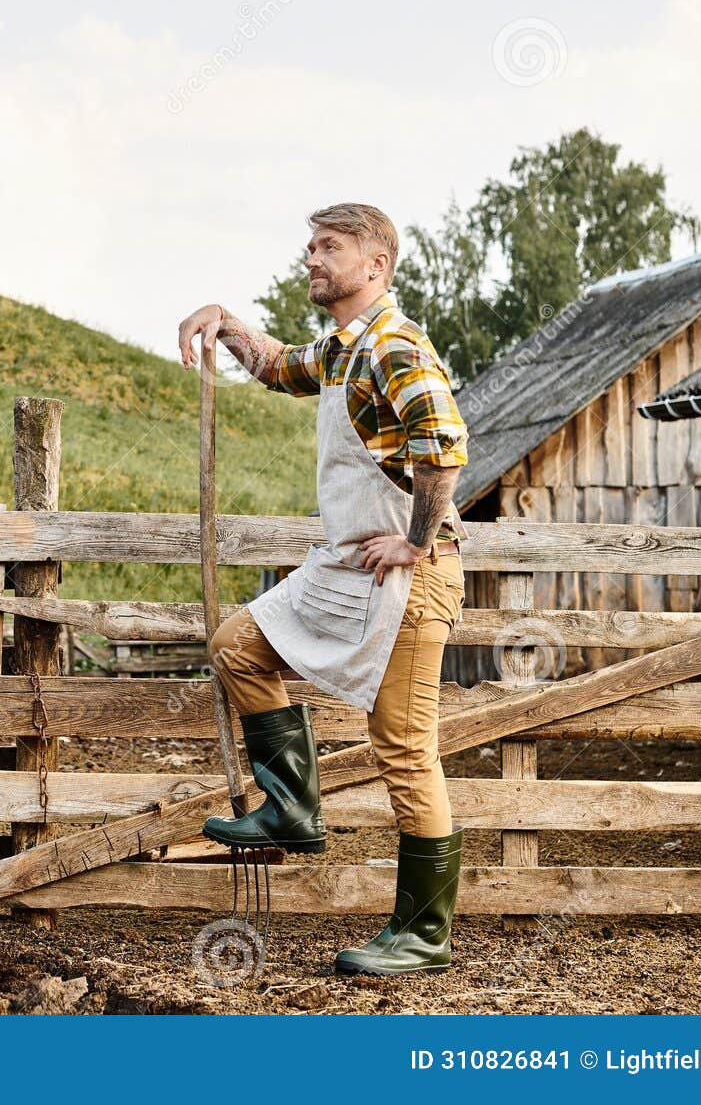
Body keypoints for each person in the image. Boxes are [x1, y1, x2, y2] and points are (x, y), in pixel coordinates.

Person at [175, 202, 469, 976]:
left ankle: (423, 935)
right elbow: (277, 366)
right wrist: (228, 323)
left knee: (404, 749)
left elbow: (444, 448)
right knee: (238, 645)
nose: (312, 257)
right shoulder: (344, 350)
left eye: (329, 247)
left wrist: (417, 539)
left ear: (376, 265)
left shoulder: (396, 345)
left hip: (409, 576)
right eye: (310, 245)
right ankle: (292, 807)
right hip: (349, 565)